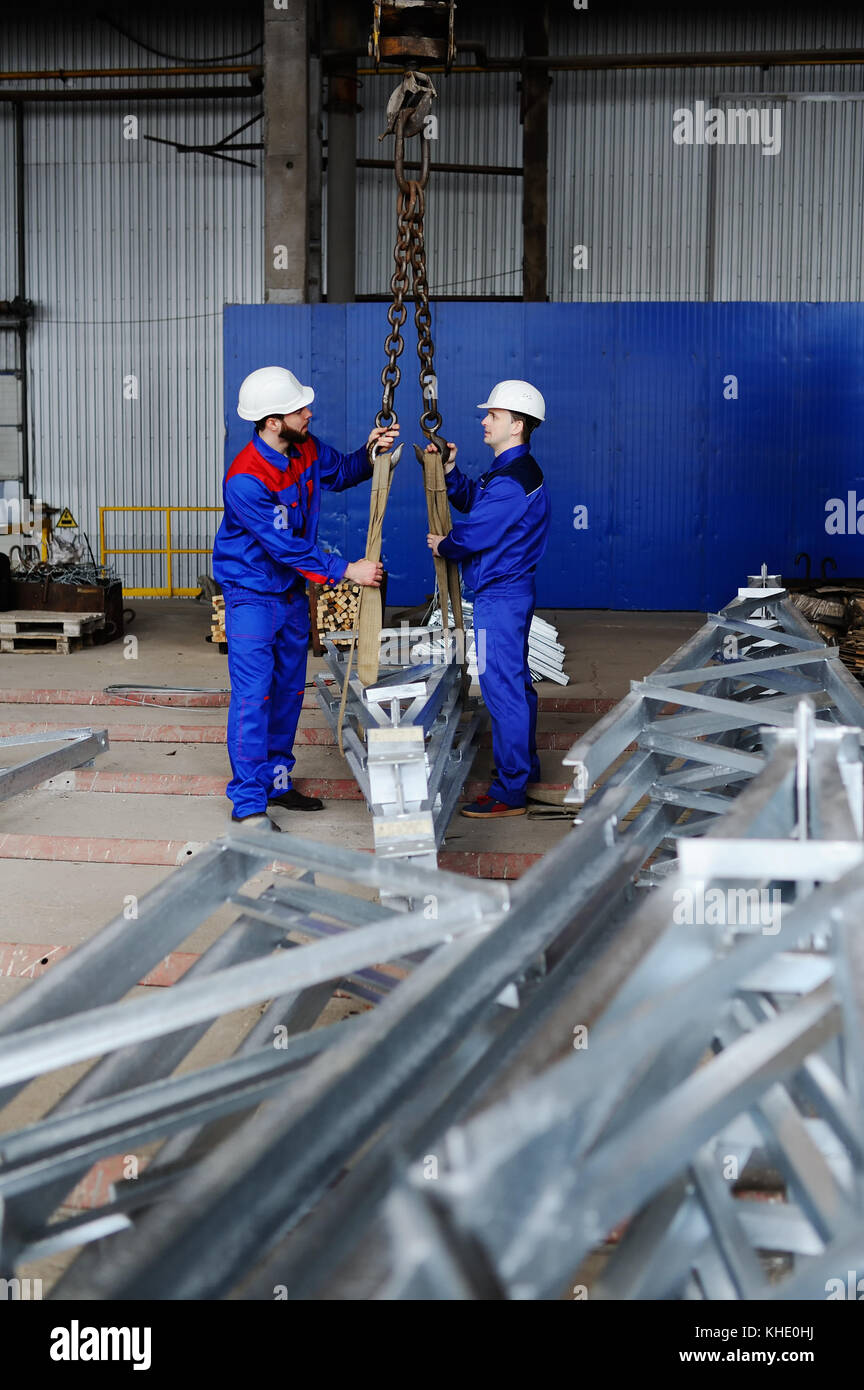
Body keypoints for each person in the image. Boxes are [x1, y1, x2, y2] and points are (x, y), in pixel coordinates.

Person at [213, 365, 397, 829]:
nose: (308, 412)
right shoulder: (245, 480)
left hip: (291, 594)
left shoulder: (306, 448)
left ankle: (278, 783)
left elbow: (342, 471)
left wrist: (372, 453)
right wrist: (346, 570)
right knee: (254, 697)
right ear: (273, 421)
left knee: (289, 694)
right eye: (299, 409)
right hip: (252, 595)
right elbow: (285, 547)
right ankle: (249, 804)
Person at [427, 380, 550, 818]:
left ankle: (509, 791)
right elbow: (478, 502)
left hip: (501, 596)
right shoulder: (511, 473)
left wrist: (445, 545)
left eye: (493, 415)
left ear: (516, 425)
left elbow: (477, 532)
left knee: (503, 692)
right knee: (516, 686)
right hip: (509, 592)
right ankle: (526, 772)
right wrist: (451, 475)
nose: (484, 420)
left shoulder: (513, 481)